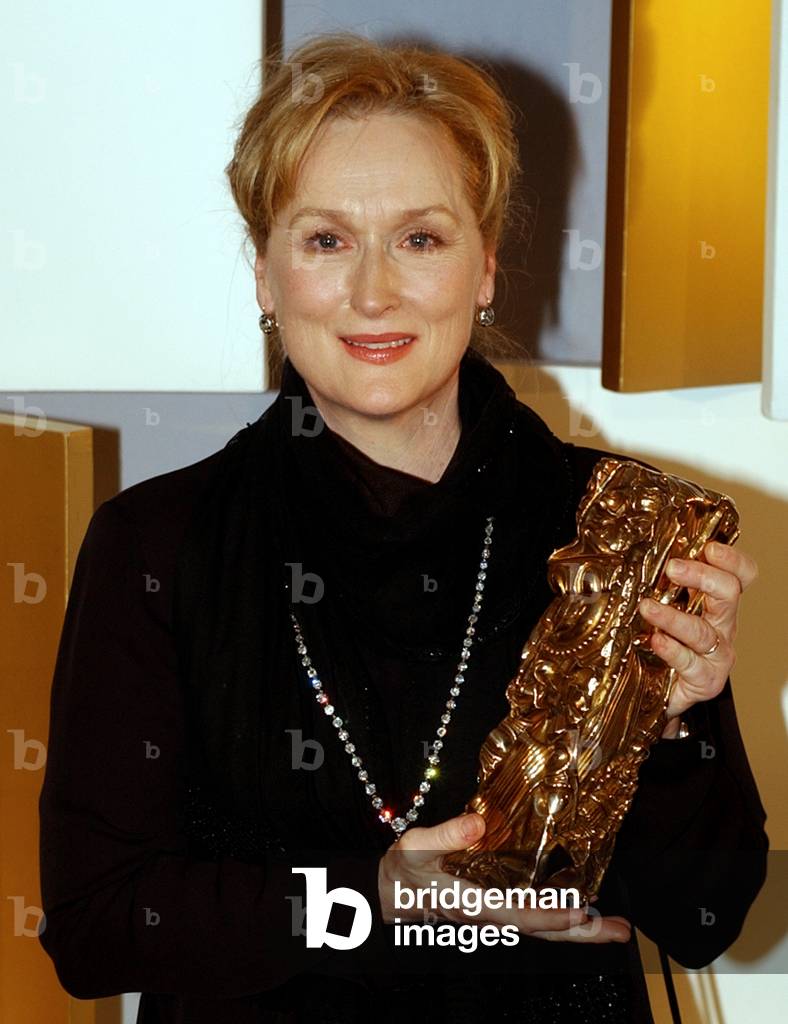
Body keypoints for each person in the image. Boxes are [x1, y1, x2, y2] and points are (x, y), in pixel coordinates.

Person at [38, 32, 767, 1024]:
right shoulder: (155, 546)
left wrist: (677, 724)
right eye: (326, 240)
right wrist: (370, 897)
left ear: (484, 267)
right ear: (265, 275)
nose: (373, 291)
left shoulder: (614, 530)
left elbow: (703, 912)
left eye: (419, 238)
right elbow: (97, 926)